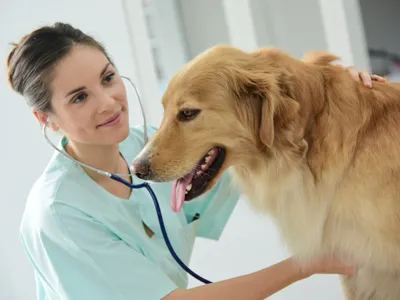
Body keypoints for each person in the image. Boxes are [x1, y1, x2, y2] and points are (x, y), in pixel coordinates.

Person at [6, 22, 385, 300]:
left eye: (107, 78)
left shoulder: (150, 147)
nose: (107, 102)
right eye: (78, 97)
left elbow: (263, 145)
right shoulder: (58, 215)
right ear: (47, 119)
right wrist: (306, 263)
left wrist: (335, 89)